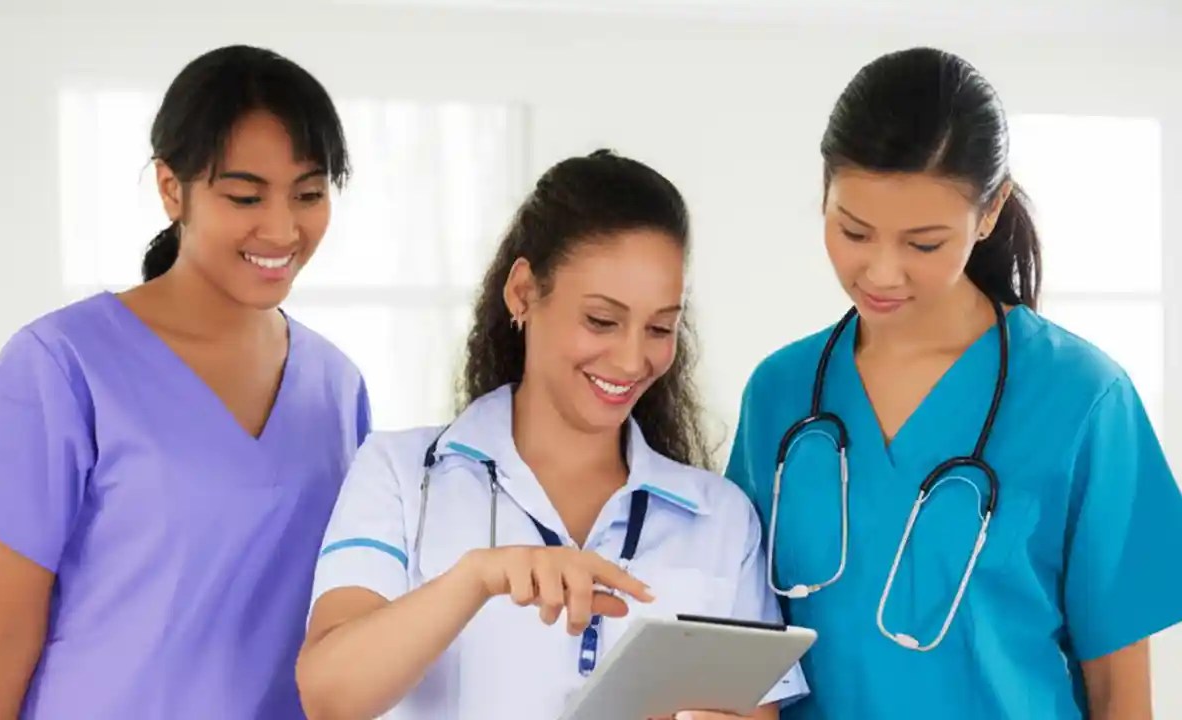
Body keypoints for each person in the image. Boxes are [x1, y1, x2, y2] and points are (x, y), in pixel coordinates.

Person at [725, 46, 1182, 719]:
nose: (881, 272)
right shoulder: (782, 394)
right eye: (854, 231)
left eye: (924, 243)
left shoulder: (1084, 399)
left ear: (990, 211)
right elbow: (743, 643)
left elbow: (1121, 692)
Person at [0, 45, 370, 719]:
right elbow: (3, 634)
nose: (282, 228)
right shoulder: (62, 364)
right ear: (172, 188)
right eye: (245, 195)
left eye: (308, 194)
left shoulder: (337, 388)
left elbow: (351, 626)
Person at [296, 149, 808, 720]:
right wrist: (476, 578)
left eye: (661, 327)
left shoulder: (721, 518)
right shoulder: (399, 474)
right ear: (522, 293)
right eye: (601, 321)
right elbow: (330, 696)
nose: (633, 358)